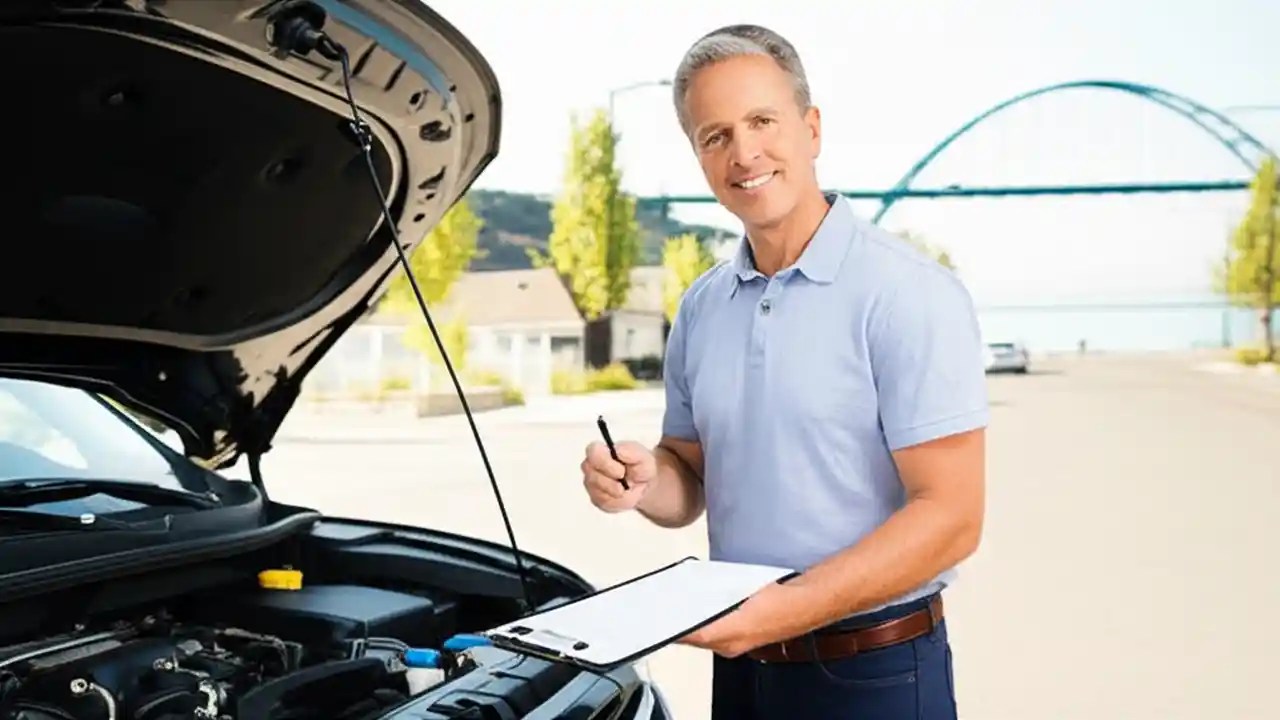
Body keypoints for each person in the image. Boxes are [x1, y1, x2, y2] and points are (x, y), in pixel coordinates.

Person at [580, 23, 988, 720]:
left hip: (873, 676)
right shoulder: (704, 306)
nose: (744, 153)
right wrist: (644, 480)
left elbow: (951, 519)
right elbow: (690, 479)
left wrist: (784, 610)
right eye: (715, 136)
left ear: (812, 128)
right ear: (699, 157)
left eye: (762, 121)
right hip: (744, 670)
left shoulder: (908, 293)